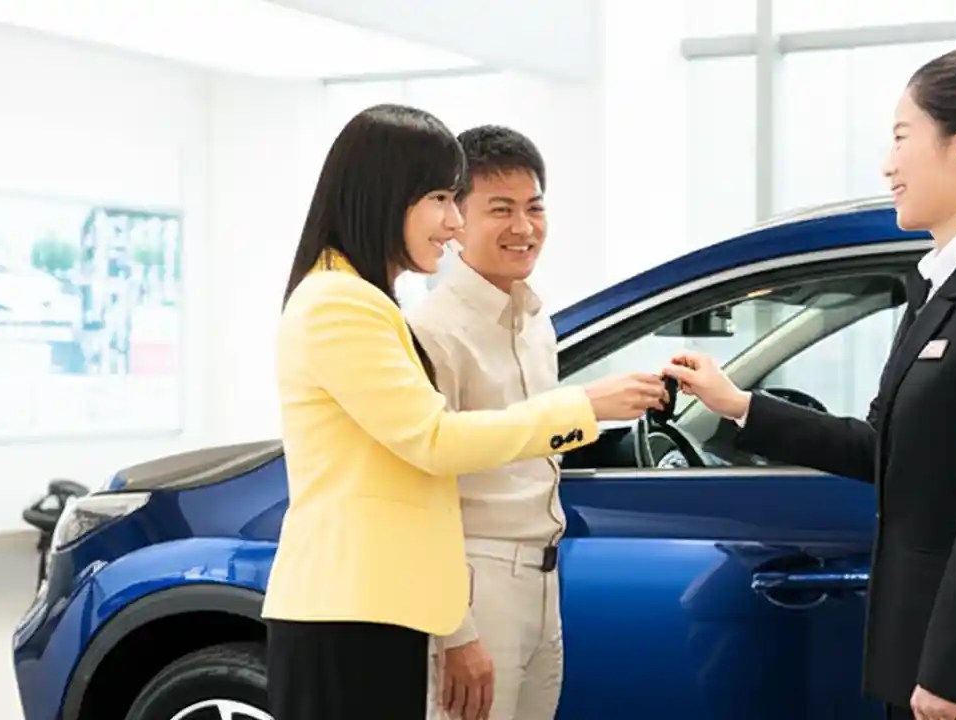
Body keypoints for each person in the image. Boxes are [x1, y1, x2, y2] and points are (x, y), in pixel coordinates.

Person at [663, 48, 956, 720]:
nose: (888, 165)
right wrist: (739, 406)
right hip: (924, 665)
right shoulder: (946, 287)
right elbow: (883, 449)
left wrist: (951, 672)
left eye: (900, 136)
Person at [262, 104, 669, 720]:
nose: (451, 225)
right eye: (441, 200)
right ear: (385, 195)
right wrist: (582, 407)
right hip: (352, 602)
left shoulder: (365, 298)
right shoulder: (339, 303)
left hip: (384, 601)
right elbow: (434, 440)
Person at [408, 125, 565, 720]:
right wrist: (456, 631)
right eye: (501, 210)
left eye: (534, 208)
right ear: (456, 220)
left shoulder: (535, 320)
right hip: (480, 578)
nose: (523, 228)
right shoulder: (435, 330)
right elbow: (425, 486)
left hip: (545, 576)